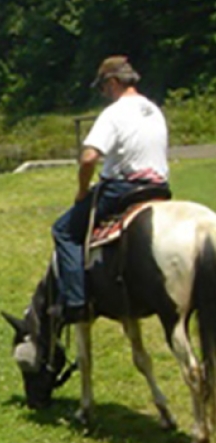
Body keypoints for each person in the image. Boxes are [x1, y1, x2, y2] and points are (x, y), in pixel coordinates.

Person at [50, 55, 170, 323]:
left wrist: (82, 191)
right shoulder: (153, 109)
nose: (103, 93)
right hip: (159, 187)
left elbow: (89, 158)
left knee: (64, 231)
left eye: (103, 87)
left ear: (113, 82)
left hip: (124, 189)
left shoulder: (114, 113)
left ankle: (76, 302)